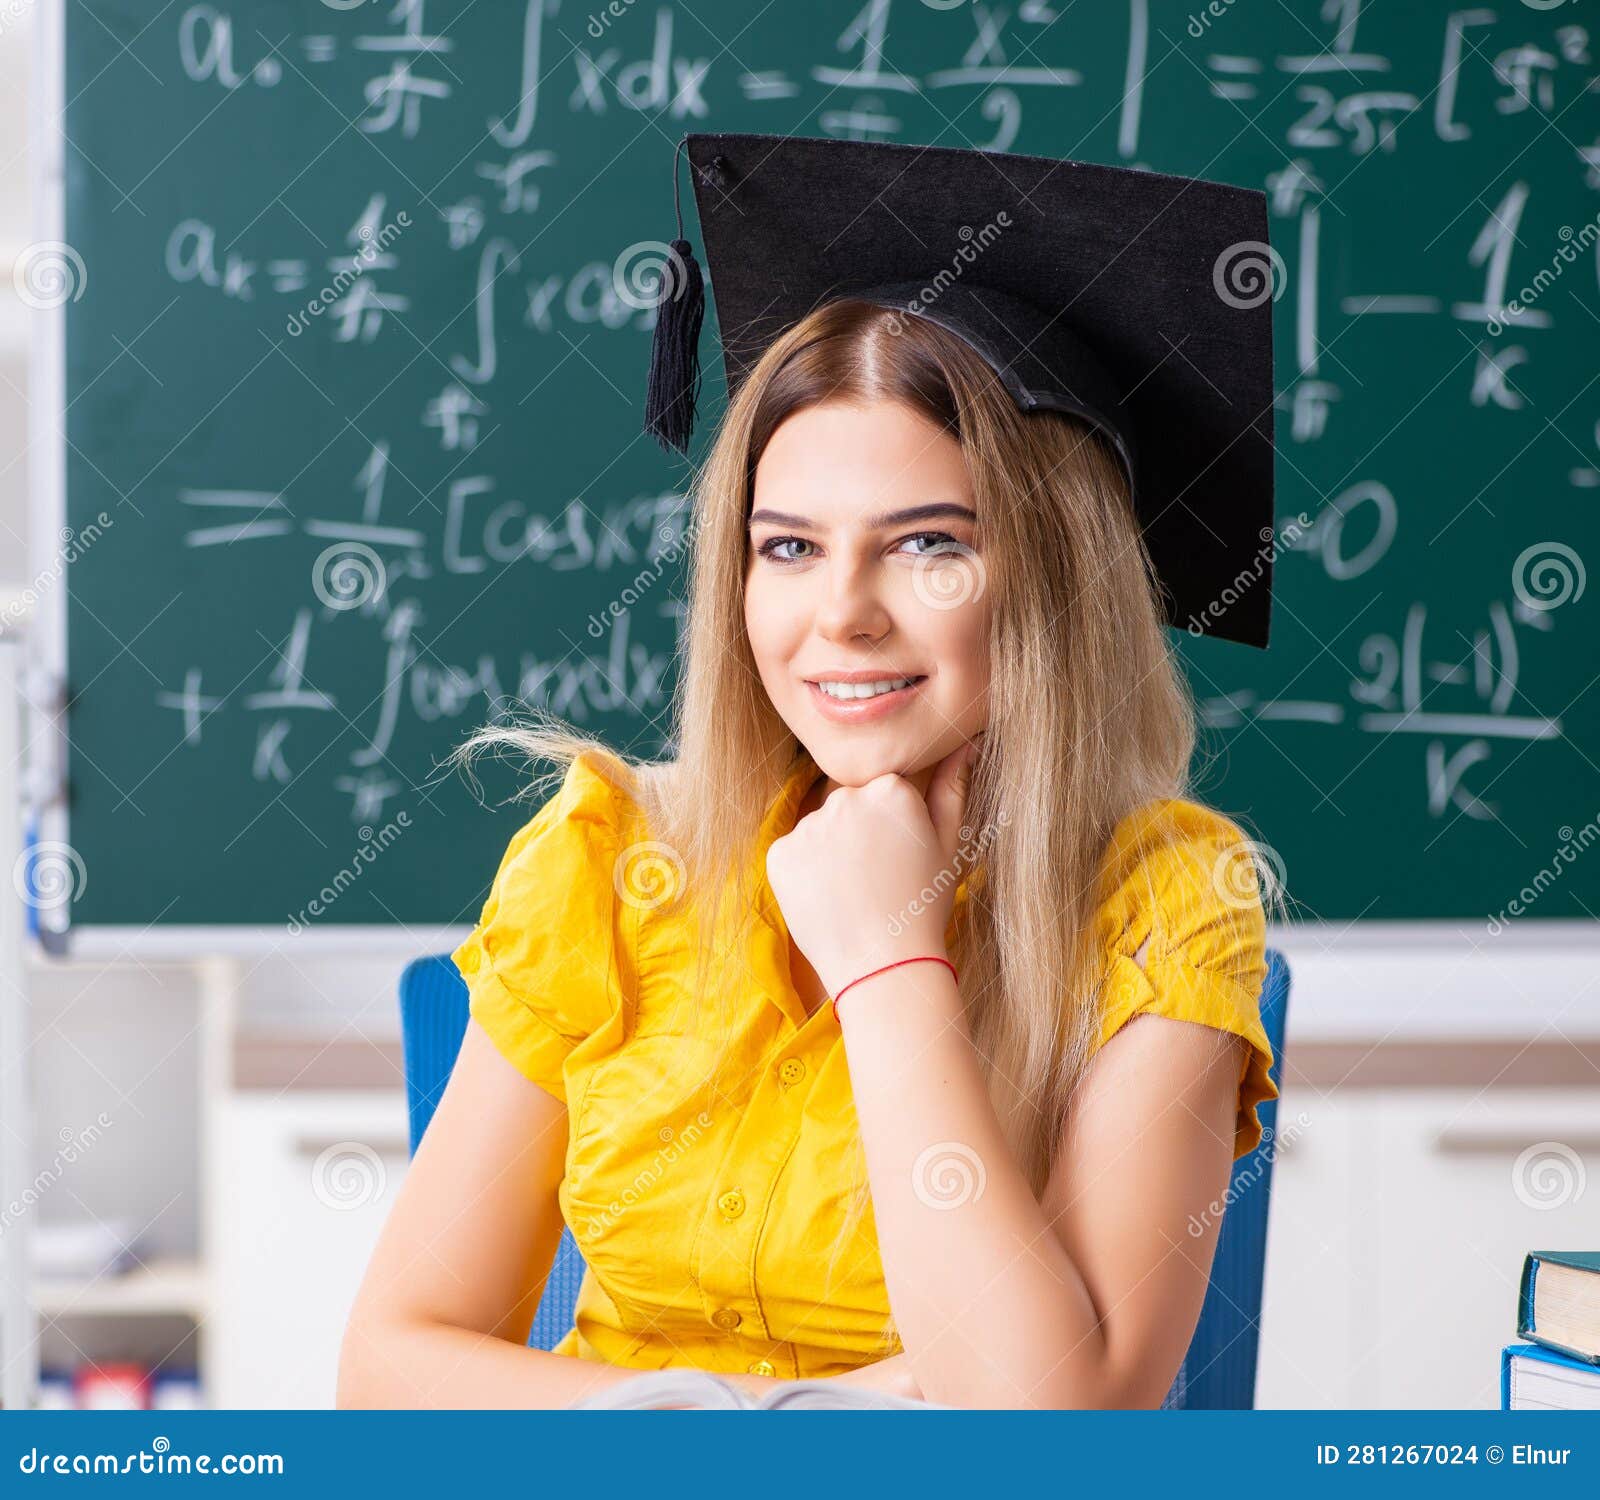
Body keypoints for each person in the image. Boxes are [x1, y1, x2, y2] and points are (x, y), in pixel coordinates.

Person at [338, 133, 1282, 1411]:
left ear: (1056, 578)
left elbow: (1053, 1428)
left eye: (926, 546)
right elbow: (390, 1373)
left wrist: (891, 966)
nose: (840, 615)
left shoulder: (1165, 895)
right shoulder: (613, 859)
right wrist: (737, 1421)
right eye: (786, 548)